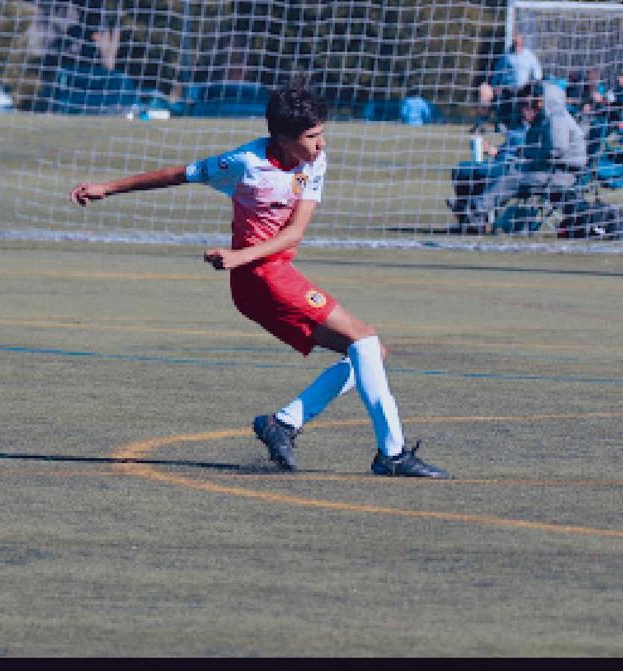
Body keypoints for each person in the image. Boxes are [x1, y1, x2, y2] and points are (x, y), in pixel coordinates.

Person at [69, 77, 448, 479]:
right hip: (261, 279)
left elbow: (295, 232)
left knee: (371, 354)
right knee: (365, 339)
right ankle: (392, 454)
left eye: (322, 133)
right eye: (311, 136)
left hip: (269, 272)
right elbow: (176, 174)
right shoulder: (244, 164)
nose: (320, 143)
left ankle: (282, 423)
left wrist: (239, 255)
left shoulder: (313, 160)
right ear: (283, 138)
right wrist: (106, 188)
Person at [458, 82, 586, 233]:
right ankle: (472, 211)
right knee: (500, 170)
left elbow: (556, 151)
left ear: (543, 100)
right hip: (546, 170)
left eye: (529, 103)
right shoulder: (544, 120)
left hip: (560, 175)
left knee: (510, 178)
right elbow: (533, 150)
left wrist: (529, 159)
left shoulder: (557, 120)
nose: (525, 109)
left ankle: (475, 212)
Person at [472, 32, 543, 133]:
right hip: (506, 89)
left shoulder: (530, 56)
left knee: (533, 98)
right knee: (484, 89)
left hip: (523, 90)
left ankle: (527, 124)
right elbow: (497, 74)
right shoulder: (505, 56)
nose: (516, 40)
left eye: (518, 38)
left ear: (522, 40)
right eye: (514, 38)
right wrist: (495, 86)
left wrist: (532, 86)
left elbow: (537, 75)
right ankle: (480, 124)